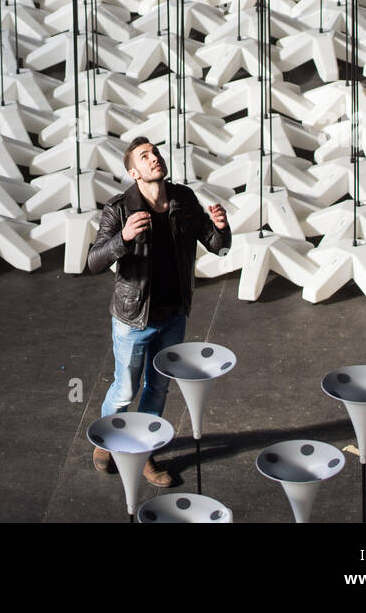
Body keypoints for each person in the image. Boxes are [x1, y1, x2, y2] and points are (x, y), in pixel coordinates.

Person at [86, 135, 230, 486]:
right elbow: (92, 261)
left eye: (156, 153)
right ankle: (106, 438)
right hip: (133, 320)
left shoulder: (183, 199)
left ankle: (143, 452)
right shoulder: (118, 208)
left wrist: (223, 230)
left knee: (158, 388)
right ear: (134, 171)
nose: (154, 159)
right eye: (145, 156)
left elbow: (216, 247)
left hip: (173, 317)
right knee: (125, 389)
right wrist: (122, 238)